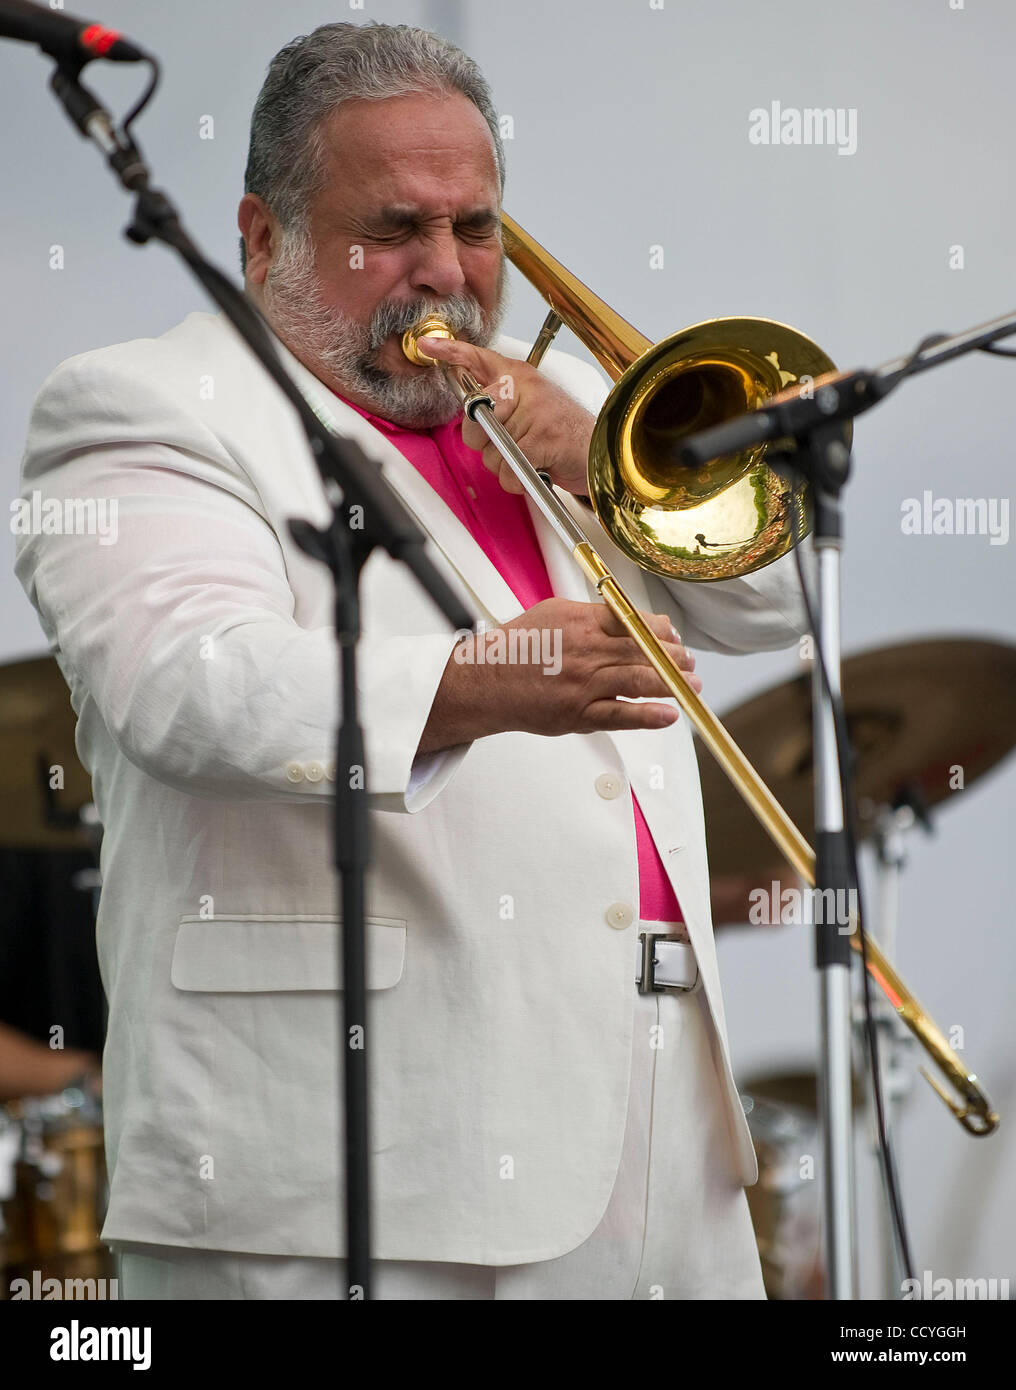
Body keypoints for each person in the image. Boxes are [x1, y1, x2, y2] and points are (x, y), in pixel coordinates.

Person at [15, 21, 810, 1300]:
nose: (446, 273)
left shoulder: (535, 426)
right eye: (390, 229)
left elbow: (767, 604)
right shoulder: (142, 406)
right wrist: (480, 680)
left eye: (476, 228)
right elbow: (187, 682)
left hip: (655, 1152)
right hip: (347, 1170)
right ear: (264, 236)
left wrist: (595, 446)